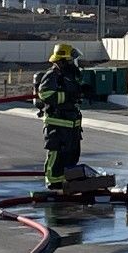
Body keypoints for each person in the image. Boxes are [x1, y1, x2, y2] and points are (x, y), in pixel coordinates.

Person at [35, 43, 84, 190]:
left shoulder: (70, 76)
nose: (73, 63)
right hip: (57, 123)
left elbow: (75, 94)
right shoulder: (52, 75)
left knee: (72, 154)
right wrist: (68, 96)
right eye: (71, 60)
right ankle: (53, 181)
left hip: (72, 124)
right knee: (56, 154)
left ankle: (66, 180)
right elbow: (45, 94)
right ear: (62, 61)